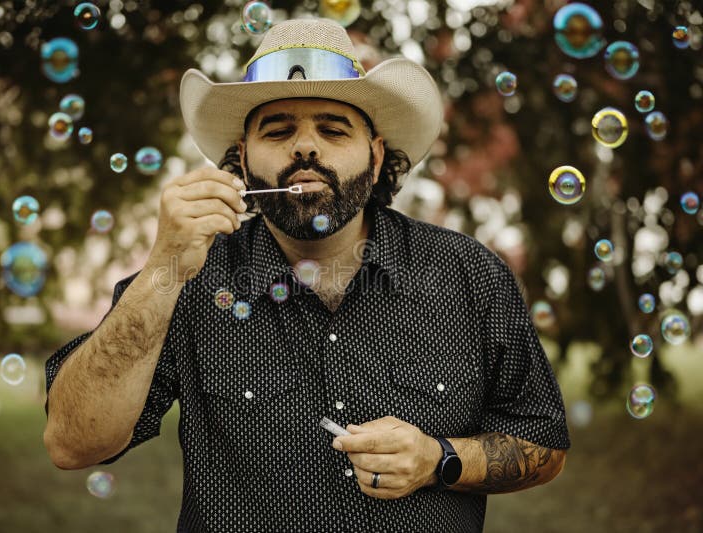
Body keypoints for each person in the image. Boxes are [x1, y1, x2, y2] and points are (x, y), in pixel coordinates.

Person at [43, 17, 570, 532]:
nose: (305, 147)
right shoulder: (189, 278)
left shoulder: (468, 274)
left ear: (376, 151)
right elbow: (72, 443)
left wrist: (440, 458)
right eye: (279, 130)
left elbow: (544, 444)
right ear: (244, 162)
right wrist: (164, 266)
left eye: (332, 128)